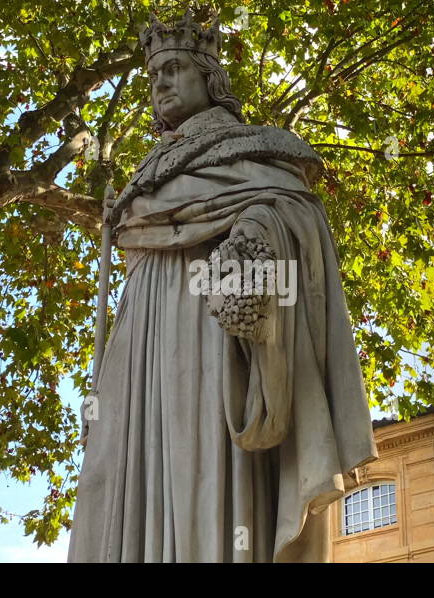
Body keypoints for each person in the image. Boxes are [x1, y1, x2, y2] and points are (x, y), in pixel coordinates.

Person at [68, 11, 376, 562]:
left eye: (174, 67)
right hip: (141, 346)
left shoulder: (258, 150)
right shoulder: (144, 180)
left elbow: (293, 217)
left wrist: (255, 243)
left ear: (209, 76)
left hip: (210, 334)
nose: (160, 83)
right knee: (124, 472)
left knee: (201, 463)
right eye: (153, 74)